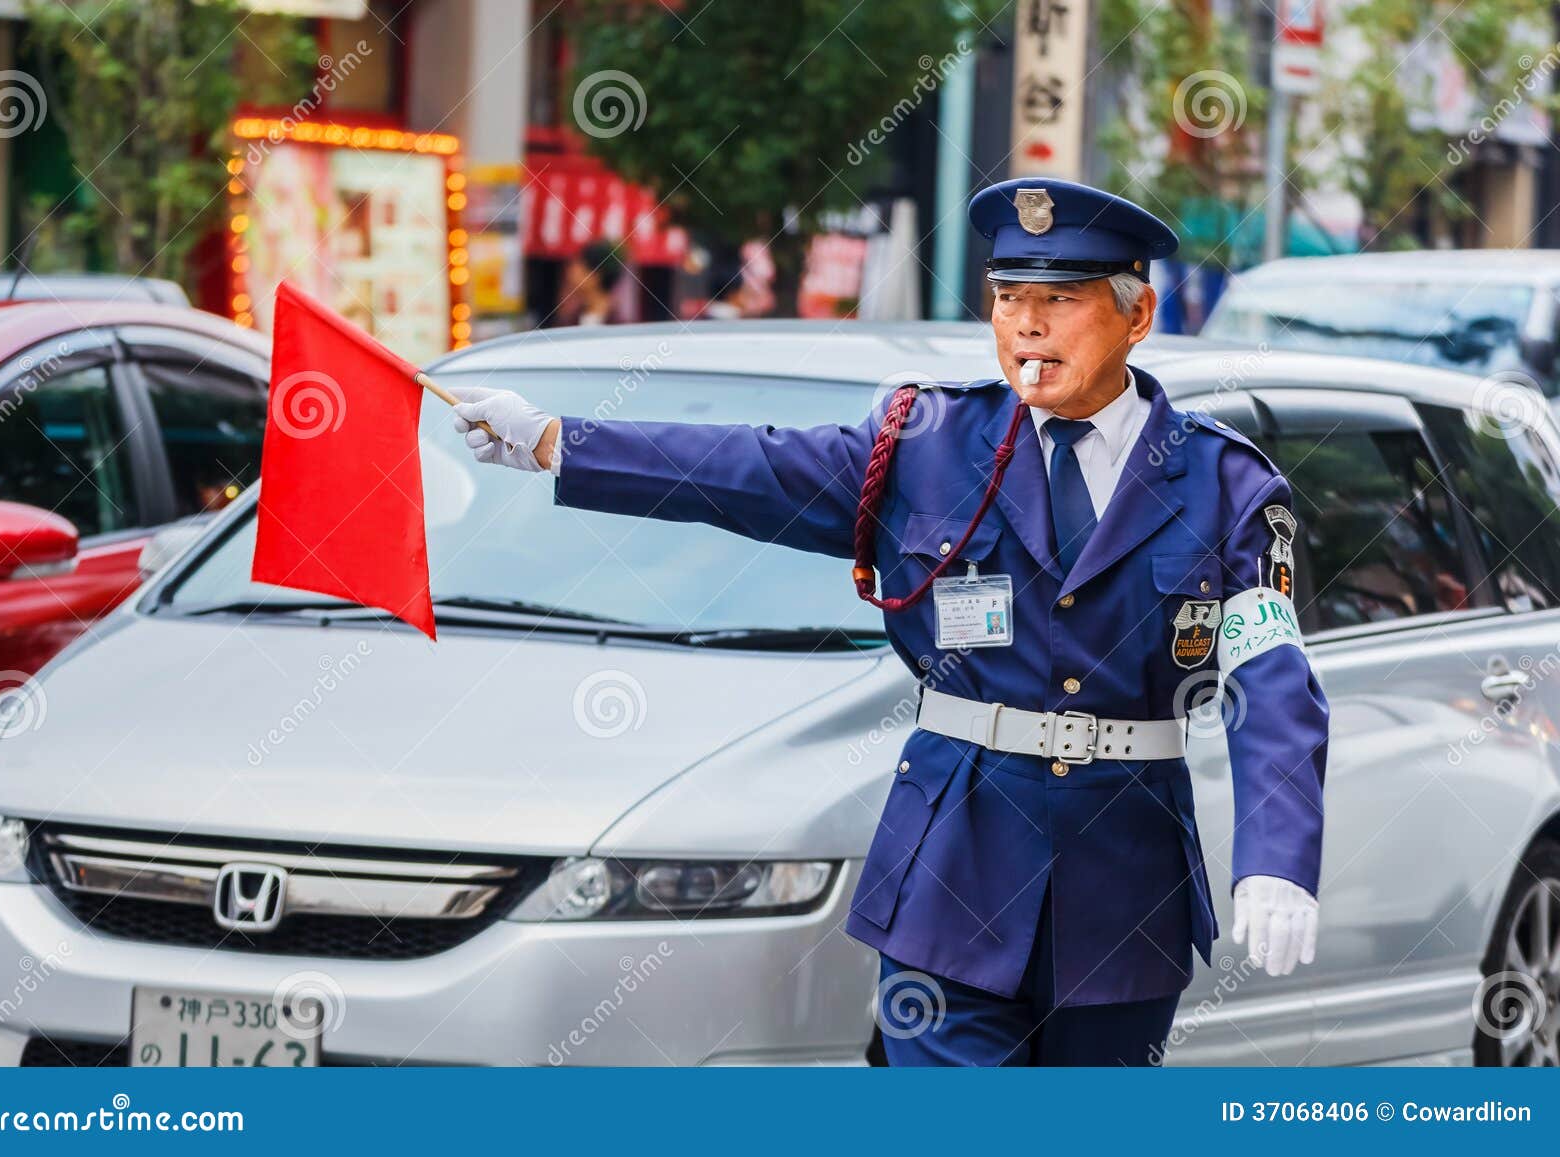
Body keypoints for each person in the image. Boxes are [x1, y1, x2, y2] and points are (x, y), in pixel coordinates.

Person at [450, 178, 1328, 1067]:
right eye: (1007, 299)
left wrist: (1279, 849)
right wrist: (561, 441)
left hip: (1124, 890)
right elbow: (748, 469)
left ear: (1134, 320)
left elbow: (1274, 680)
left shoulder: (1221, 481)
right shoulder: (927, 442)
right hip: (952, 869)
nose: (1026, 326)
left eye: (1059, 301)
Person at [556, 240, 625, 326]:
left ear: (596, 275)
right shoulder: (569, 321)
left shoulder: (619, 325)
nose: (570, 273)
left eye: (578, 267)